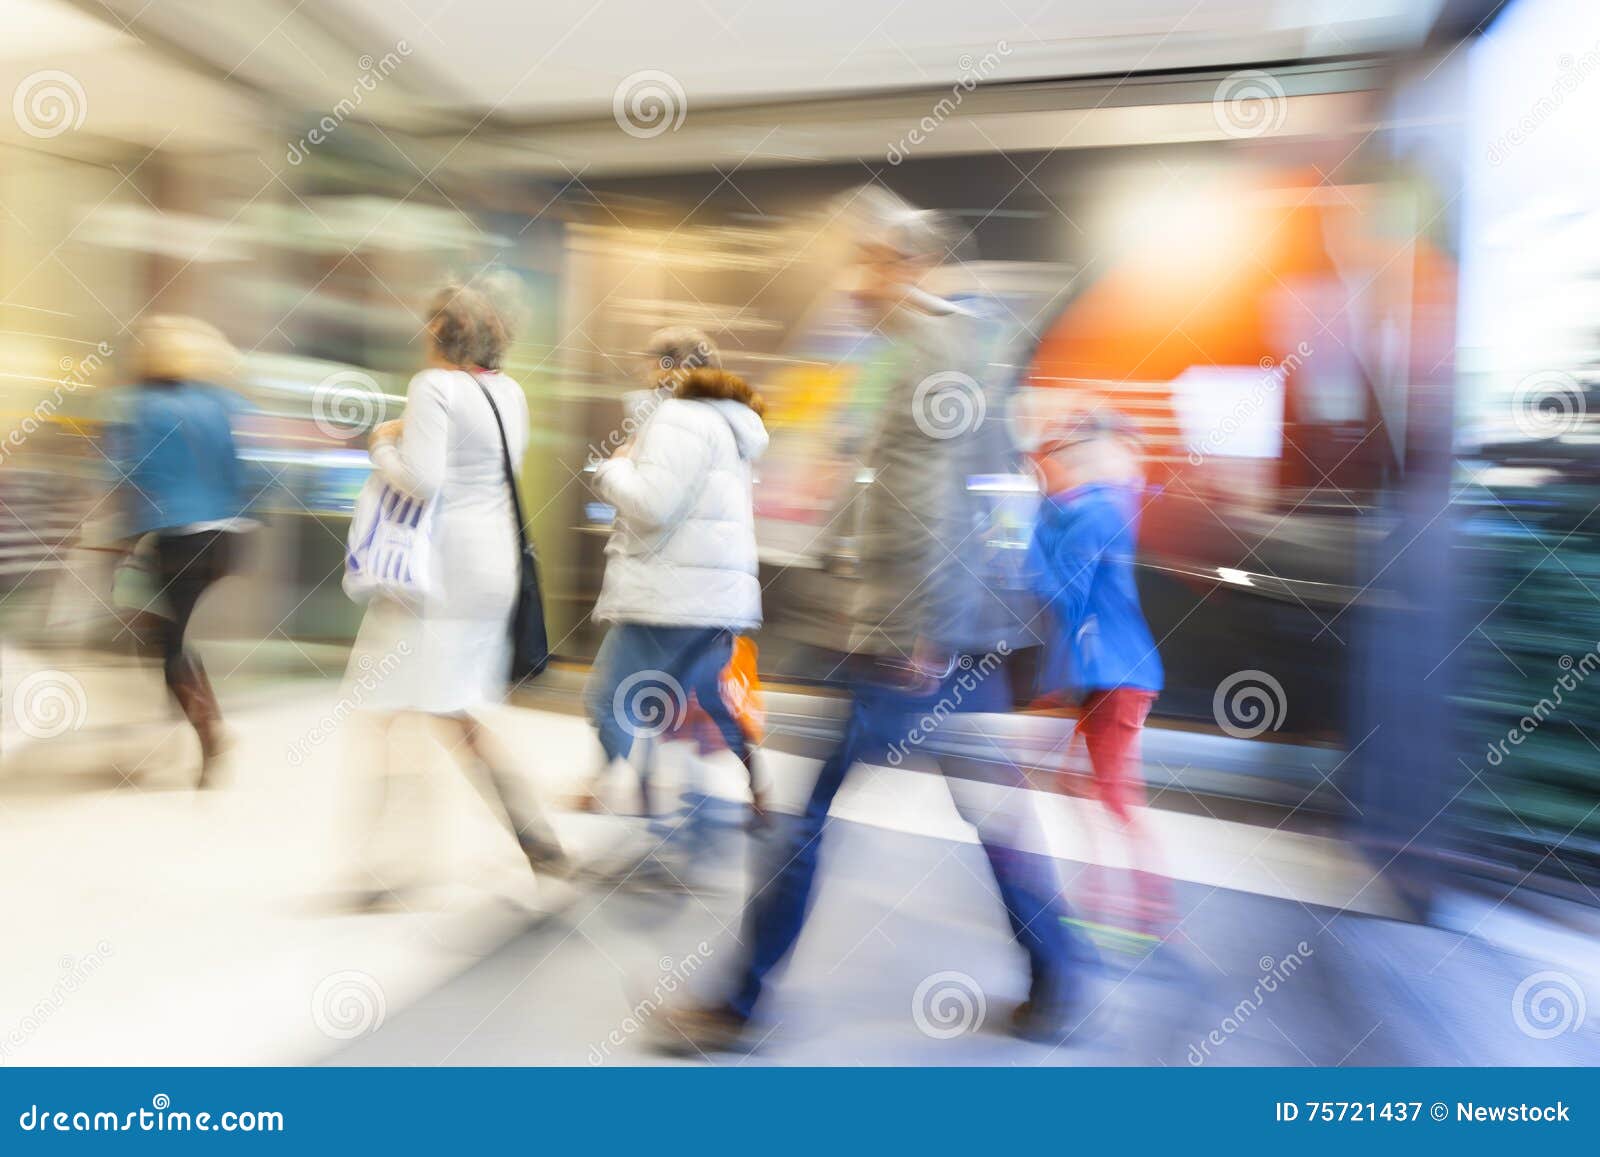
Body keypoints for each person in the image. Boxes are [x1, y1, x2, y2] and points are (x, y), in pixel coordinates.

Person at [661, 193, 1083, 1052]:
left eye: (867, 262)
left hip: (914, 640)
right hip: (955, 634)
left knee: (809, 820)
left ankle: (739, 1005)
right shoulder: (951, 347)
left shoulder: (927, 350)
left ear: (909, 267)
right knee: (992, 813)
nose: (854, 281)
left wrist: (916, 635)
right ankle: (1061, 976)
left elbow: (932, 506)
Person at [343, 278, 563, 906]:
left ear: (441, 330)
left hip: (435, 573)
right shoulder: (508, 392)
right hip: (493, 565)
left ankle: (387, 869)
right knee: (454, 710)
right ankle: (536, 838)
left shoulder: (433, 386)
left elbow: (424, 480)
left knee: (387, 709)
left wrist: (382, 446)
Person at [578, 328, 770, 825]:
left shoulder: (675, 418)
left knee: (612, 695)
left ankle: (602, 785)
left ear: (668, 368)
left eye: (650, 361)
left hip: (669, 595)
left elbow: (654, 506)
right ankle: (757, 787)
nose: (643, 370)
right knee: (703, 697)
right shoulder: (726, 424)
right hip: (716, 597)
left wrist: (613, 470)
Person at [1026, 411, 1171, 935]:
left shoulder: (1097, 511)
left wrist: (1055, 684)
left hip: (1114, 675)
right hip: (1110, 674)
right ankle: (1098, 895)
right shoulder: (1095, 507)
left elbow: (1067, 596)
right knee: (1079, 784)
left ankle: (1147, 909)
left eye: (1061, 457)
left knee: (1114, 795)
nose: (1053, 466)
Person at [112, 316, 260, 787]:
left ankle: (208, 733)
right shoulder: (224, 401)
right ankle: (195, 725)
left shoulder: (142, 406)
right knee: (169, 639)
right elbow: (248, 469)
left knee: (165, 645)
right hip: (227, 539)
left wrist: (122, 540)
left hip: (180, 538)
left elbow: (130, 473)